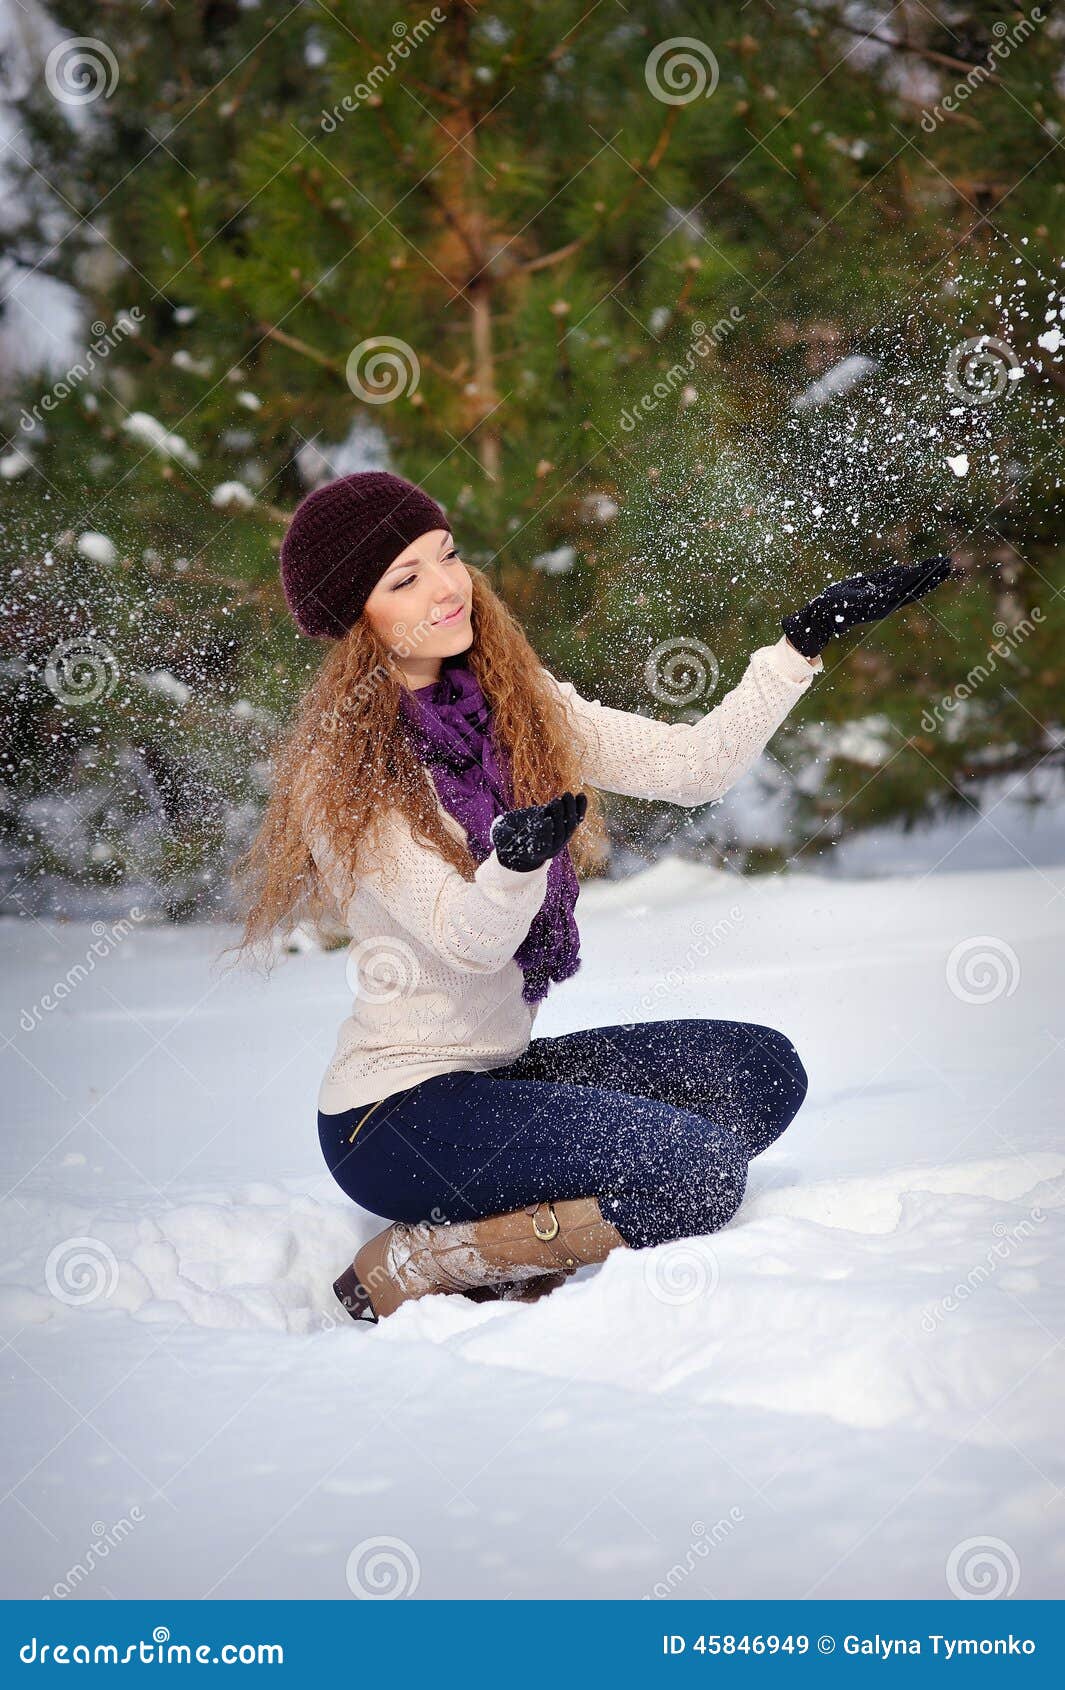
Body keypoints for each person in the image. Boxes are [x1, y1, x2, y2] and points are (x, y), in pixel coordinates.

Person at [228, 470, 955, 1324]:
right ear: (358, 623)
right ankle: (430, 1258)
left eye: (447, 555)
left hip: (494, 1075)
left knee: (761, 1070)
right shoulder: (346, 771)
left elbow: (693, 768)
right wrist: (513, 864)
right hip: (392, 1120)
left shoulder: (516, 704)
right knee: (696, 1173)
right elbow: (468, 940)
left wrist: (797, 649)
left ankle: (538, 1216)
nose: (447, 587)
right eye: (405, 579)